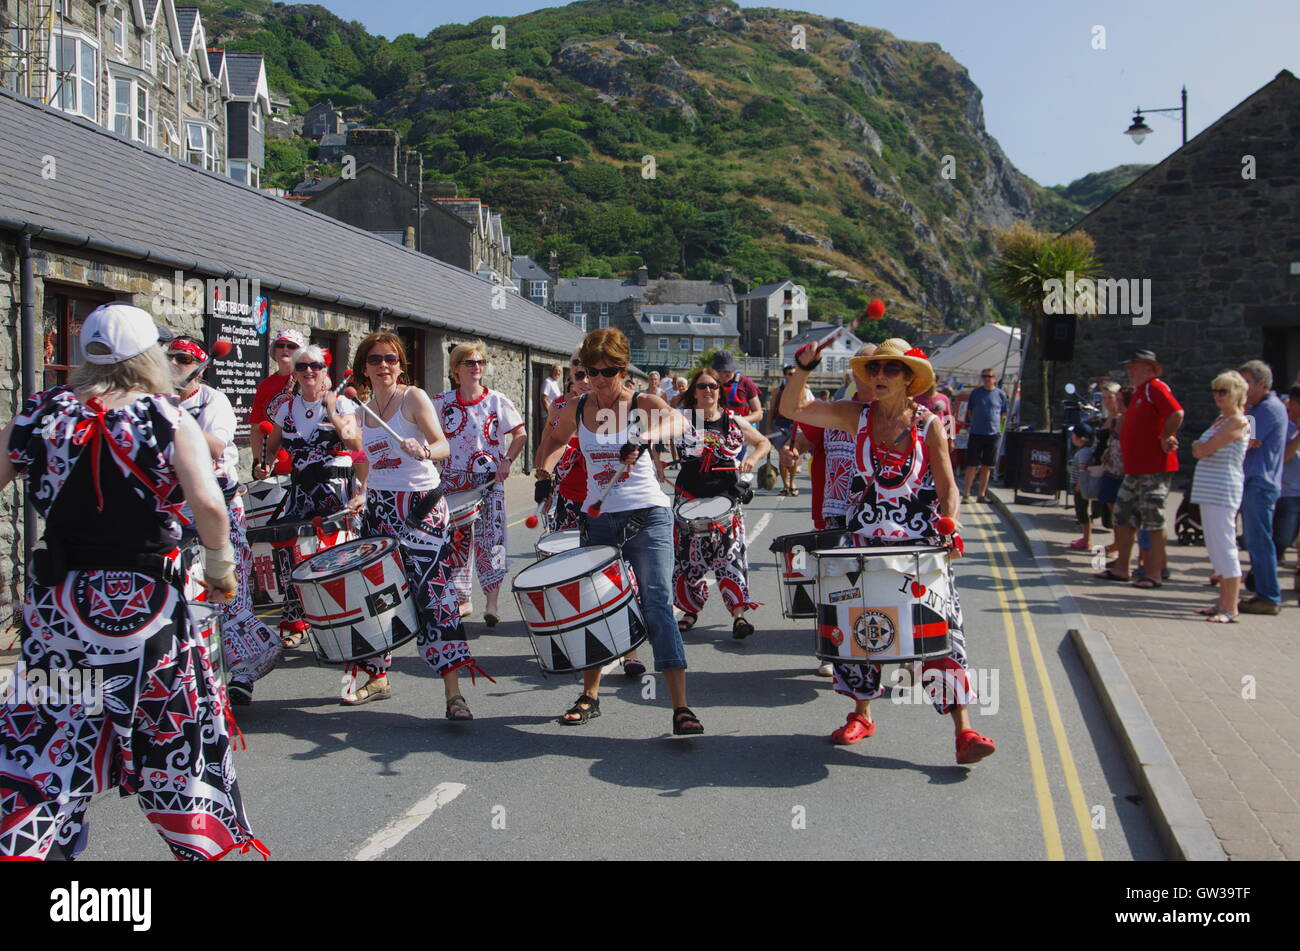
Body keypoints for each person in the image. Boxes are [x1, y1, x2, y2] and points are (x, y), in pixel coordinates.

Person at [0, 303, 266, 860]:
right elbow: (211, 509)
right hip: (148, 624)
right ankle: (200, 847)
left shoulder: (41, 412)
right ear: (149, 357)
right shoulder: (165, 417)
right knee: (174, 746)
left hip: (62, 619)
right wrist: (221, 574)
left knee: (51, 746)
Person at [780, 338, 995, 765]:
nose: (878, 376)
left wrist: (951, 524)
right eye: (873, 369)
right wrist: (802, 367)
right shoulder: (851, 416)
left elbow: (948, 485)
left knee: (942, 635)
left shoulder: (931, 424)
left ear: (909, 379)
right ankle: (861, 714)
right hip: (863, 546)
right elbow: (794, 410)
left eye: (890, 370)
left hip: (920, 547)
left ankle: (964, 729)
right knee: (863, 633)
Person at [534, 328, 702, 734]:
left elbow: (679, 422)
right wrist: (545, 472)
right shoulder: (579, 407)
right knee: (595, 605)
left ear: (622, 370)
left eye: (607, 372)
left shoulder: (641, 402)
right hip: (599, 518)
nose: (597, 380)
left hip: (647, 517)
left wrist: (645, 437)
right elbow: (554, 439)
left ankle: (680, 707)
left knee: (657, 604)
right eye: (590, 371)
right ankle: (590, 695)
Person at [344, 332, 487, 714]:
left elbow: (443, 445)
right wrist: (362, 489)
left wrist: (423, 450)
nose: (384, 365)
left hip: (421, 507)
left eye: (391, 358)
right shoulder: (363, 410)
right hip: (379, 508)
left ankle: (453, 693)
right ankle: (377, 678)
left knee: (434, 596)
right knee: (376, 595)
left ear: (401, 364)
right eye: (375, 360)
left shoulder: (413, 398)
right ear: (364, 367)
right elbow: (366, 464)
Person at [169, 336, 281, 706]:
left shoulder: (211, 400)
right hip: (174, 511)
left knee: (230, 591)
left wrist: (168, 423)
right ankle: (196, 677)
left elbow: (216, 445)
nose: (175, 363)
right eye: (170, 357)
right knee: (185, 596)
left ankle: (245, 672)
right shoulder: (156, 401)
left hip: (218, 503)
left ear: (199, 369)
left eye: (184, 359)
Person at [251, 344, 366, 645]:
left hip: (337, 494)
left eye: (315, 366)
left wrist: (333, 413)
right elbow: (272, 447)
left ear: (325, 370)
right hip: (301, 493)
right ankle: (295, 623)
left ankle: (340, 623)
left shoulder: (342, 404)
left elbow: (355, 445)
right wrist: (264, 465)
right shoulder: (286, 408)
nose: (308, 372)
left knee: (335, 558)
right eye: (302, 367)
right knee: (292, 555)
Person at [672, 366, 771, 638]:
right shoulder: (682, 421)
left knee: (730, 557)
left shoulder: (733, 420)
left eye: (713, 386)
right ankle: (689, 611)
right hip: (689, 499)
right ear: (693, 391)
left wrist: (751, 459)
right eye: (702, 386)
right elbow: (653, 432)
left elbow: (764, 443)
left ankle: (738, 616)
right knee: (689, 561)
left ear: (720, 390)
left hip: (726, 499)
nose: (708, 391)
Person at [433, 341, 526, 627]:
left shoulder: (496, 400)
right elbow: (428, 436)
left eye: (480, 362)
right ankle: (463, 599)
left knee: (492, 541)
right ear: (455, 369)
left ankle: (492, 602)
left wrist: (507, 461)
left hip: (488, 482)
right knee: (458, 542)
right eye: (470, 363)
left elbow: (519, 434)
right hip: (453, 482)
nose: (476, 367)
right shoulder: (441, 402)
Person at [1099, 351, 1184, 588]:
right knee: (1122, 514)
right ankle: (1122, 568)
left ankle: (1154, 573)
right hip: (1136, 468)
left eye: (1134, 367)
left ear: (1149, 368)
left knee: (1152, 519)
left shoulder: (1154, 388)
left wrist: (1165, 436)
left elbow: (1176, 412)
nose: (1129, 371)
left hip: (1153, 467)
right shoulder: (1141, 392)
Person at [1190, 371, 1250, 623]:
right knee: (1215, 548)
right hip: (1209, 489)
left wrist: (1201, 448)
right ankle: (1221, 603)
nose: (1217, 396)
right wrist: (1200, 448)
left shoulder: (1238, 421)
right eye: (1215, 391)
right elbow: (1198, 449)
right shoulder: (1220, 420)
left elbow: (1204, 449)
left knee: (1225, 547)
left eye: (1223, 391)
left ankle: (1230, 606)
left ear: (1236, 393)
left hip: (1223, 489)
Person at [1237, 360, 1287, 615]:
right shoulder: (1261, 408)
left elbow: (1246, 439)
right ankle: (1264, 593)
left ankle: (1268, 596)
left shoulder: (1268, 409)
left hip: (1259, 483)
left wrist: (1241, 412)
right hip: (1255, 482)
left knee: (1259, 541)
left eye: (1247, 382)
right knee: (1256, 541)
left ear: (1262, 384)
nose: (1242, 387)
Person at [249, 328, 305, 477]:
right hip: (274, 465)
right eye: (280, 345)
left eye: (291, 346)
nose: (285, 349)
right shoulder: (265, 386)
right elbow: (256, 429)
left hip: (304, 464)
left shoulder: (309, 380)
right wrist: (258, 463)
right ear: (274, 351)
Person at [961, 368, 1007, 502]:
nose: (987, 378)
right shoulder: (976, 393)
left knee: (987, 466)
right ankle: (966, 494)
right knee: (972, 465)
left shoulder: (1000, 394)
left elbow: (1003, 413)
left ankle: (981, 495)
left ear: (994, 378)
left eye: (990, 376)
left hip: (993, 434)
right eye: (984, 376)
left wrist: (996, 424)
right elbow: (969, 411)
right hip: (976, 433)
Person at [1274, 385, 1300, 593]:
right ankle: (1264, 582)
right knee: (1281, 541)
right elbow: (1282, 458)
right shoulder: (1284, 426)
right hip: (1288, 495)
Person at [1069, 423, 1105, 551]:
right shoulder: (1085, 450)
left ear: (1080, 438)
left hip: (1081, 486)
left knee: (1082, 513)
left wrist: (1079, 484)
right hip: (1081, 485)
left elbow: (1083, 469)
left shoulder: (1084, 452)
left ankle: (1087, 540)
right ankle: (1085, 538)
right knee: (1082, 513)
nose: (1071, 437)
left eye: (1073, 435)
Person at [710, 350, 763, 425]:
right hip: (714, 430)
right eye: (719, 371)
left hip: (740, 429)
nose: (722, 375)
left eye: (727, 371)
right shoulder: (706, 383)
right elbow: (695, 407)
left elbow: (758, 413)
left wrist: (737, 421)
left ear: (733, 369)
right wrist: (696, 434)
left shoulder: (746, 383)